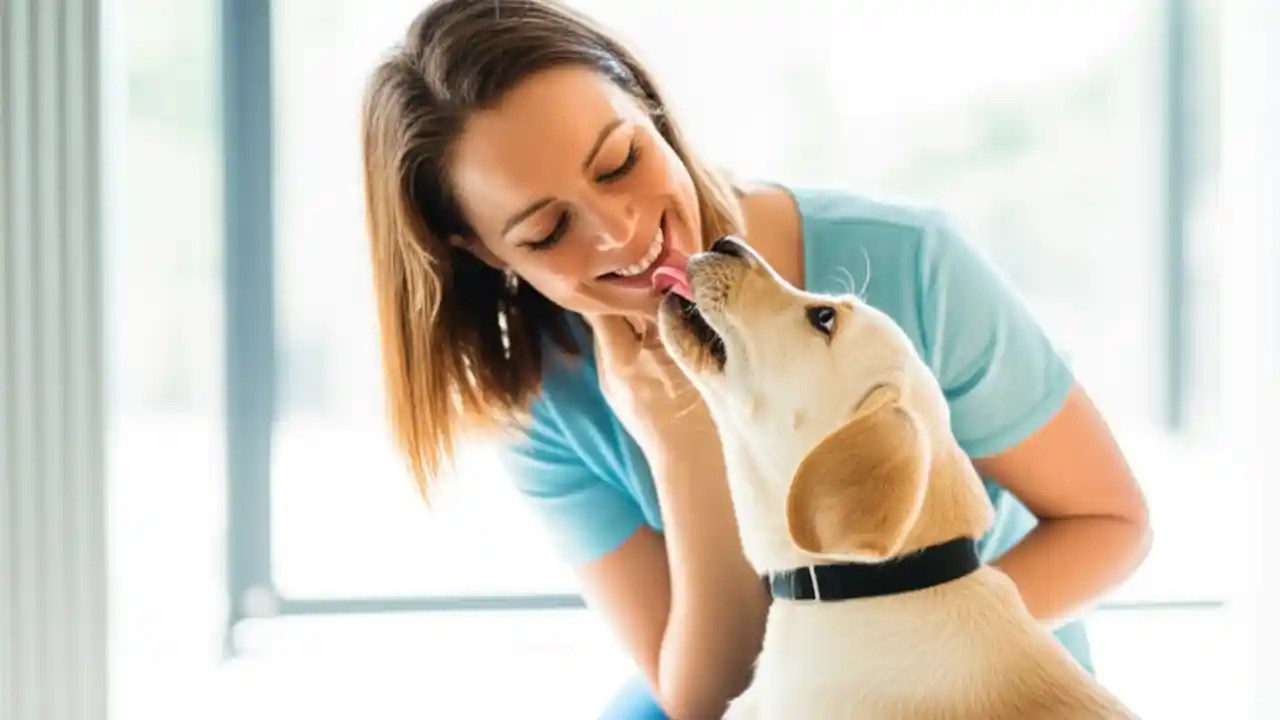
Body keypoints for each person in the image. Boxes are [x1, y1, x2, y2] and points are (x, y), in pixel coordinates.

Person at [360, 1, 1153, 717]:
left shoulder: (908, 265)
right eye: (545, 232)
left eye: (619, 162)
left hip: (983, 678)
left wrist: (886, 658)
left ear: (652, 109)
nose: (622, 230)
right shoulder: (538, 402)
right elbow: (707, 701)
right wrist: (680, 446)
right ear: (478, 250)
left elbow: (1109, 522)